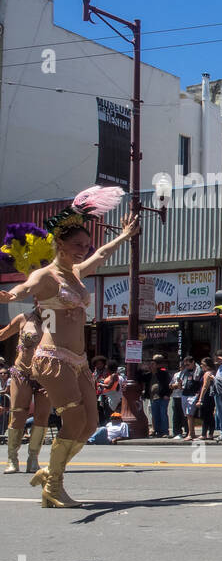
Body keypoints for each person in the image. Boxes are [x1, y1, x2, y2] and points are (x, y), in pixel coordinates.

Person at [0, 186, 139, 506]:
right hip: (52, 359)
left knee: (90, 424)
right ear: (59, 244)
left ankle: (50, 472)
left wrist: (126, 235)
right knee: (73, 421)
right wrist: (10, 296)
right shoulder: (47, 276)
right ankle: (53, 486)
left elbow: (101, 256)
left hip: (79, 360)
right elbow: (25, 288)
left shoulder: (76, 273)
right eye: (77, 244)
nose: (83, 250)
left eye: (85, 245)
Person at [1, 223, 56, 475]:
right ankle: (13, 459)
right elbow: (2, 335)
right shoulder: (23, 319)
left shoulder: (55, 319)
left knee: (42, 418)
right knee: (18, 414)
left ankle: (33, 459)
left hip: (45, 375)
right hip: (21, 373)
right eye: (36, 296)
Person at [147, 353, 172, 438]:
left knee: (163, 414)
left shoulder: (163, 373)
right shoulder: (149, 374)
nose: (151, 365)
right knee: (155, 415)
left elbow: (169, 384)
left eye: (153, 364)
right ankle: (157, 431)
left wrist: (167, 394)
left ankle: (165, 431)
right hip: (153, 397)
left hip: (162, 397)